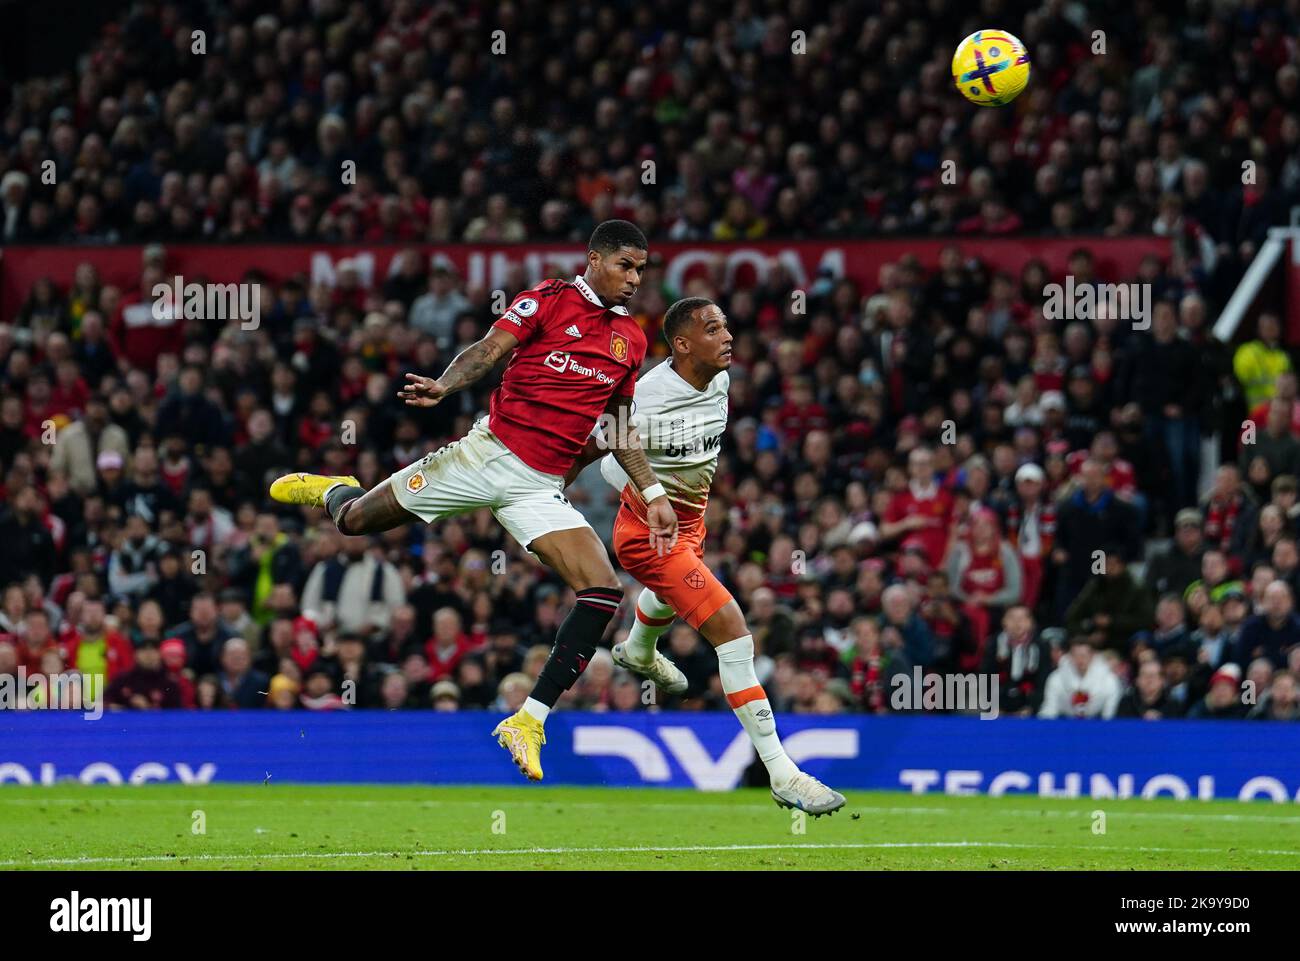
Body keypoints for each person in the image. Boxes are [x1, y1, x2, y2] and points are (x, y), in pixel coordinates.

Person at [269, 220, 676, 780]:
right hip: (483, 457)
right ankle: (335, 491)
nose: (634, 279)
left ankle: (529, 720)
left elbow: (621, 424)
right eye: (625, 265)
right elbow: (488, 350)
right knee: (354, 523)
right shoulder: (549, 301)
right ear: (593, 259)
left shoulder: (630, 339)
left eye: (641, 269)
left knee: (603, 591)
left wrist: (651, 491)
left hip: (539, 486)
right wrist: (445, 385)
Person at [566, 297, 844, 815]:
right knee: (735, 636)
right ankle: (784, 774)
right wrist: (547, 493)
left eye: (726, 324)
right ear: (683, 344)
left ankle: (638, 649)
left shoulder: (719, 378)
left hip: (689, 522)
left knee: (673, 593)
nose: (728, 336)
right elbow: (601, 441)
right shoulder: (648, 395)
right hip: (650, 532)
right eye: (713, 328)